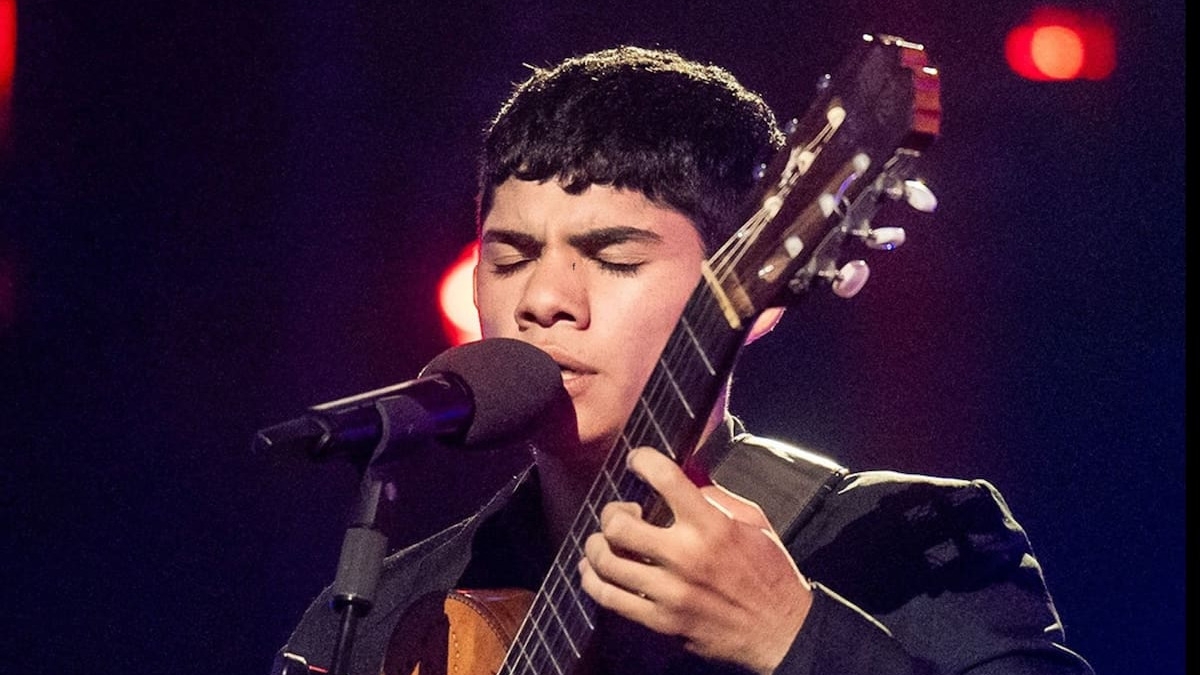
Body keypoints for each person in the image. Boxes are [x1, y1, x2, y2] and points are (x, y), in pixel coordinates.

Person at [272, 45, 1094, 675]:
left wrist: (791, 635)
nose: (544, 299)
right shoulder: (386, 610)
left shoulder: (916, 542)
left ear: (757, 298)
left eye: (615, 258)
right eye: (512, 256)